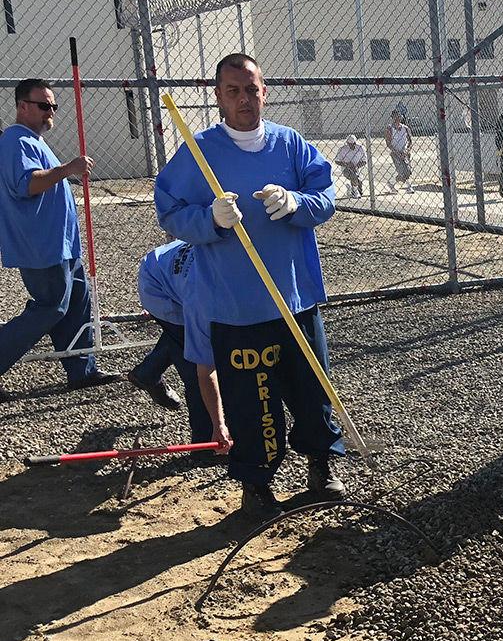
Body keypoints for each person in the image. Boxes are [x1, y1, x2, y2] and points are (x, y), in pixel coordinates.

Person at [154, 53, 345, 514]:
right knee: (251, 399)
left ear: (265, 91)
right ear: (218, 96)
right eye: (233, 90)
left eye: (252, 89)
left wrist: (298, 203)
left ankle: (322, 465)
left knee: (311, 386)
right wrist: (210, 219)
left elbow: (327, 194)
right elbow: (169, 211)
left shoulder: (290, 144)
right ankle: (256, 484)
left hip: (294, 297)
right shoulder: (198, 152)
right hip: (236, 306)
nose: (244, 99)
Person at [0, 78, 119, 402]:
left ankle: (81, 371)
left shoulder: (34, 140)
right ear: (22, 106)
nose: (50, 112)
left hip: (62, 244)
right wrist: (68, 168)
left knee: (78, 302)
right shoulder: (16, 139)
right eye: (43, 106)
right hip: (41, 246)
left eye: (53, 106)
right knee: (52, 307)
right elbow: (26, 185)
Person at [127, 240, 220, 448]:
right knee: (195, 363)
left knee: (183, 339)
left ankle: (146, 373)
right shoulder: (201, 292)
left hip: (169, 269)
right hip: (157, 285)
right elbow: (204, 368)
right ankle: (205, 442)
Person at [385, 111, 414, 194]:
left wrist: (406, 150)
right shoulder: (390, 128)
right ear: (392, 118)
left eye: (399, 117)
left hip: (405, 152)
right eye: (395, 117)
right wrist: (396, 152)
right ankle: (408, 186)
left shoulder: (405, 128)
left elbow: (410, 142)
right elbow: (388, 143)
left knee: (408, 170)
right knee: (401, 171)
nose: (397, 118)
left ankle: (392, 183)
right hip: (395, 153)